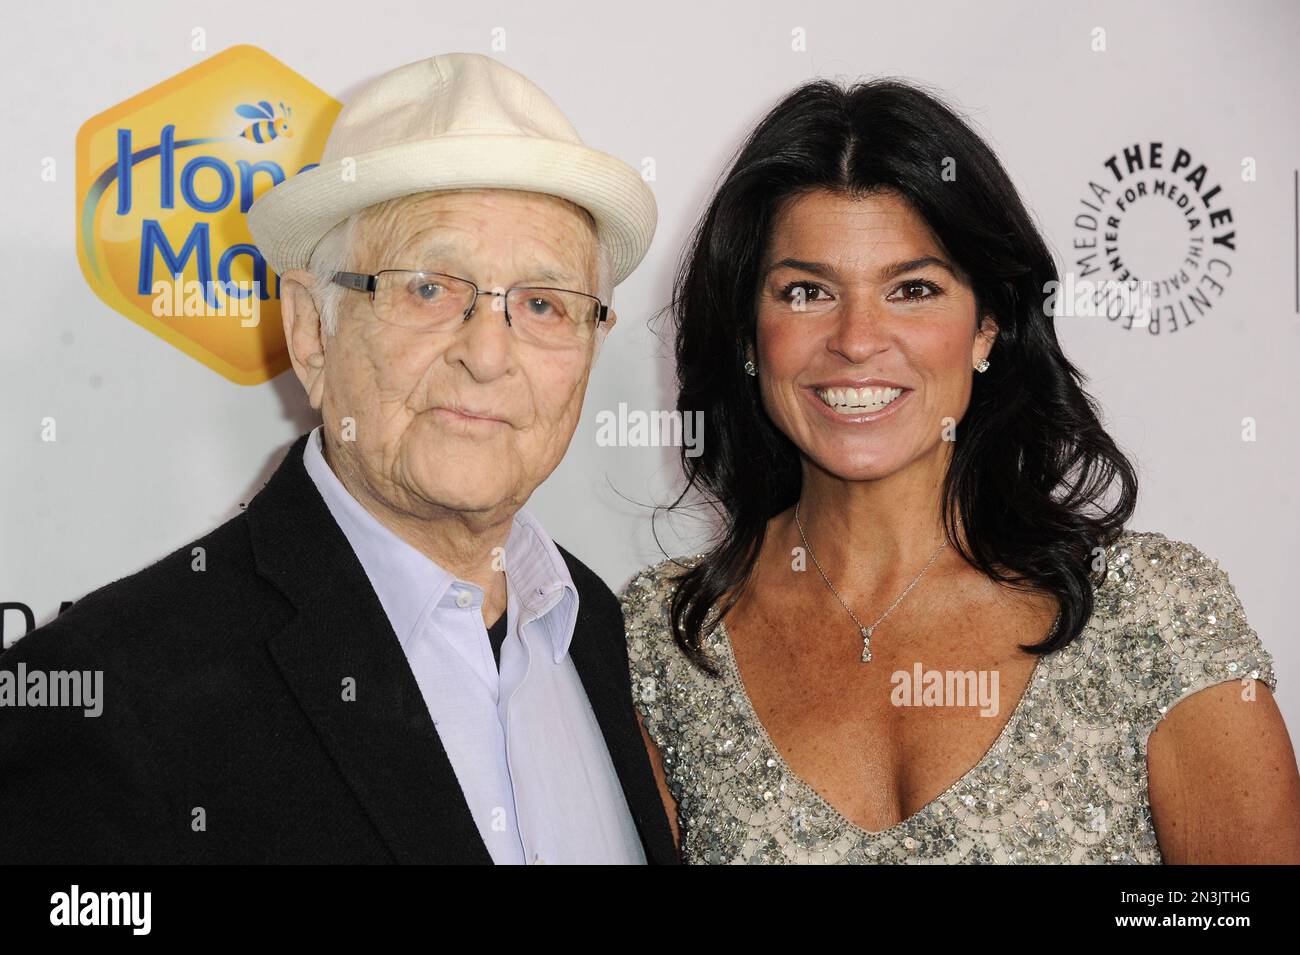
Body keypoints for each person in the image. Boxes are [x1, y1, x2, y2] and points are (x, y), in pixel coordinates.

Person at [0, 52, 677, 864]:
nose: (489, 354)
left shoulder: (599, 630)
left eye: (542, 303)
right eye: (429, 288)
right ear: (310, 331)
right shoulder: (108, 697)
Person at [620, 76, 1300, 864]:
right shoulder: (665, 636)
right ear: (748, 335)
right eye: (806, 291)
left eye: (913, 289)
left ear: (987, 328)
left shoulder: (1156, 610)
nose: (857, 338)